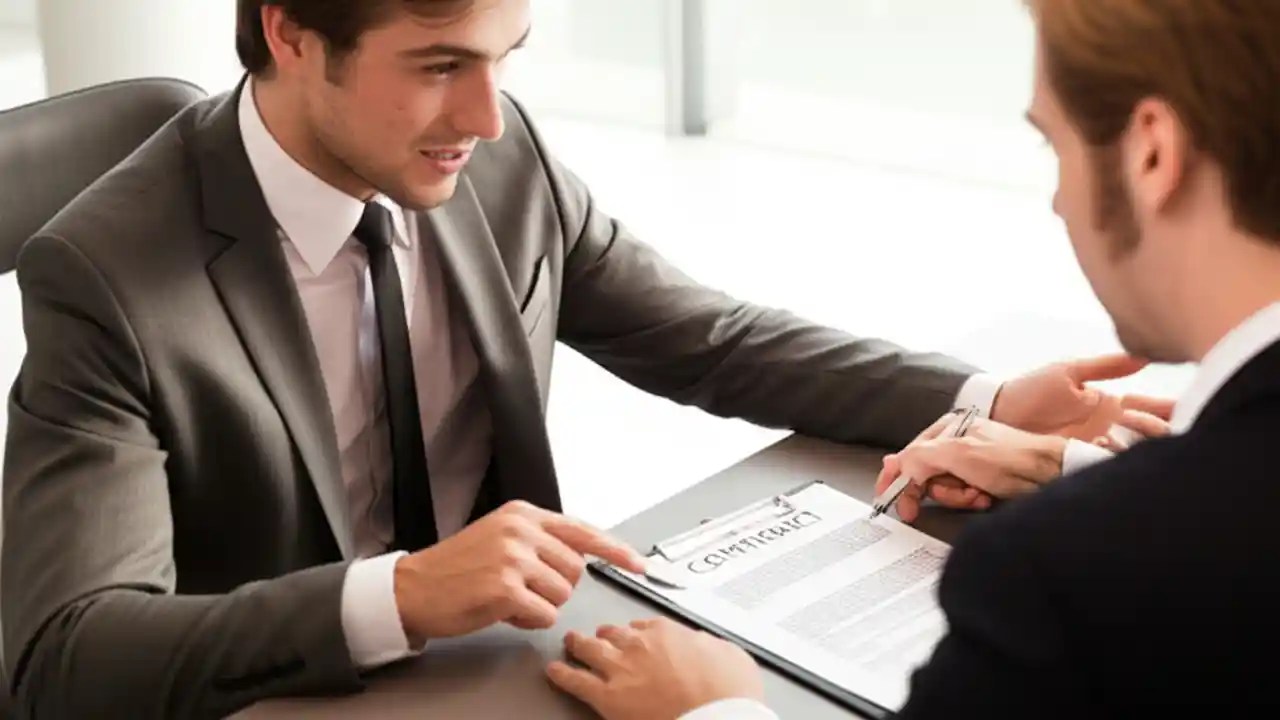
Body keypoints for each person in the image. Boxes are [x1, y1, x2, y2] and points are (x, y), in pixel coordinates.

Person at [2, 1, 1155, 717]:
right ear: (291, 33)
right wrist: (398, 595)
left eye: (509, 54)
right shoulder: (105, 277)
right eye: (438, 63)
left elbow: (705, 338)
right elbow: (63, 659)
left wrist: (982, 394)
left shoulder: (496, 159)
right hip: (286, 689)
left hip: (506, 668)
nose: (489, 117)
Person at [548, 0, 1280, 717]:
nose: (1059, 201)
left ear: (1151, 151)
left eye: (1053, 146)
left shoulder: (1053, 575)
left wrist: (712, 710)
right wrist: (1066, 468)